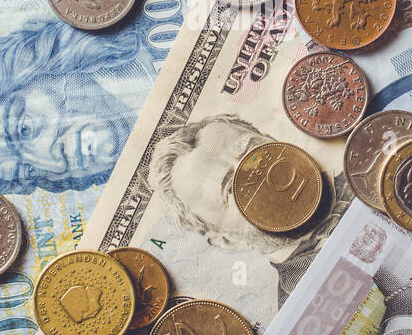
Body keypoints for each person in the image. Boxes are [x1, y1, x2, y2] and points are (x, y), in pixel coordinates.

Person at [149, 113, 351, 306]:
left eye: (254, 154)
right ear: (228, 240)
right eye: (230, 187)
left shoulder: (365, 160)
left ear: (271, 139)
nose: (259, 176)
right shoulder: (299, 307)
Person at [0, 17, 155, 195]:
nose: (56, 164)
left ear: (37, 66)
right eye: (28, 171)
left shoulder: (150, 38)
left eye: (24, 129)